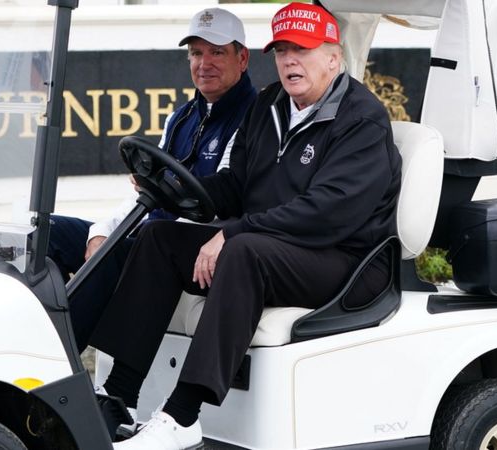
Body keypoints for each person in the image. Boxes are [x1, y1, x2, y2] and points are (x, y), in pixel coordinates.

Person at [89, 2, 403, 449]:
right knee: (161, 238)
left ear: (334, 58)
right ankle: (117, 396)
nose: (290, 61)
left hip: (347, 261)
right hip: (279, 246)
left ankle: (182, 417)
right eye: (282, 51)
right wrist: (177, 188)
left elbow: (327, 211)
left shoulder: (361, 119)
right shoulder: (271, 104)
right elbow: (239, 184)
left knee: (243, 251)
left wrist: (233, 232)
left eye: (303, 50)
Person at [48, 8, 257, 352]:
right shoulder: (183, 117)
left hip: (189, 247)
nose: (204, 63)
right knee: (47, 232)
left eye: (217, 52)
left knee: (114, 256)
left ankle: (58, 362)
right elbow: (146, 194)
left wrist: (160, 193)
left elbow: (224, 198)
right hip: (150, 234)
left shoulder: (252, 118)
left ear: (242, 58)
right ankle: (16, 349)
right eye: (196, 53)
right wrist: (102, 230)